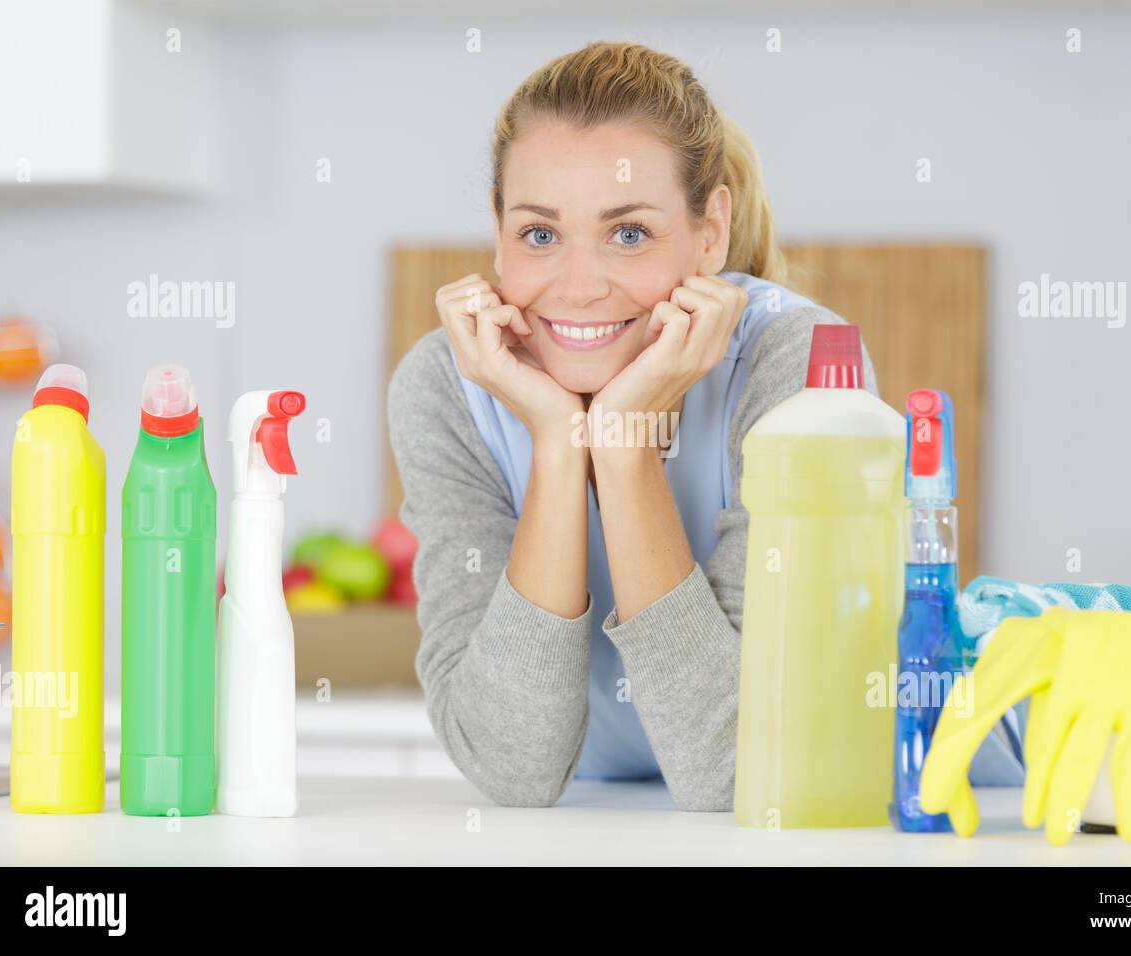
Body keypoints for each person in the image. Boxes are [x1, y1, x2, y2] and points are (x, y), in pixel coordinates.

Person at [388, 41, 1023, 811]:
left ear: (710, 232)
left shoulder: (798, 370)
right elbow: (513, 769)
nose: (580, 288)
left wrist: (623, 453)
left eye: (628, 233)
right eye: (540, 234)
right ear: (497, 233)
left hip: (934, 797)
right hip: (613, 827)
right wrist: (561, 447)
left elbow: (738, 772)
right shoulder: (450, 387)